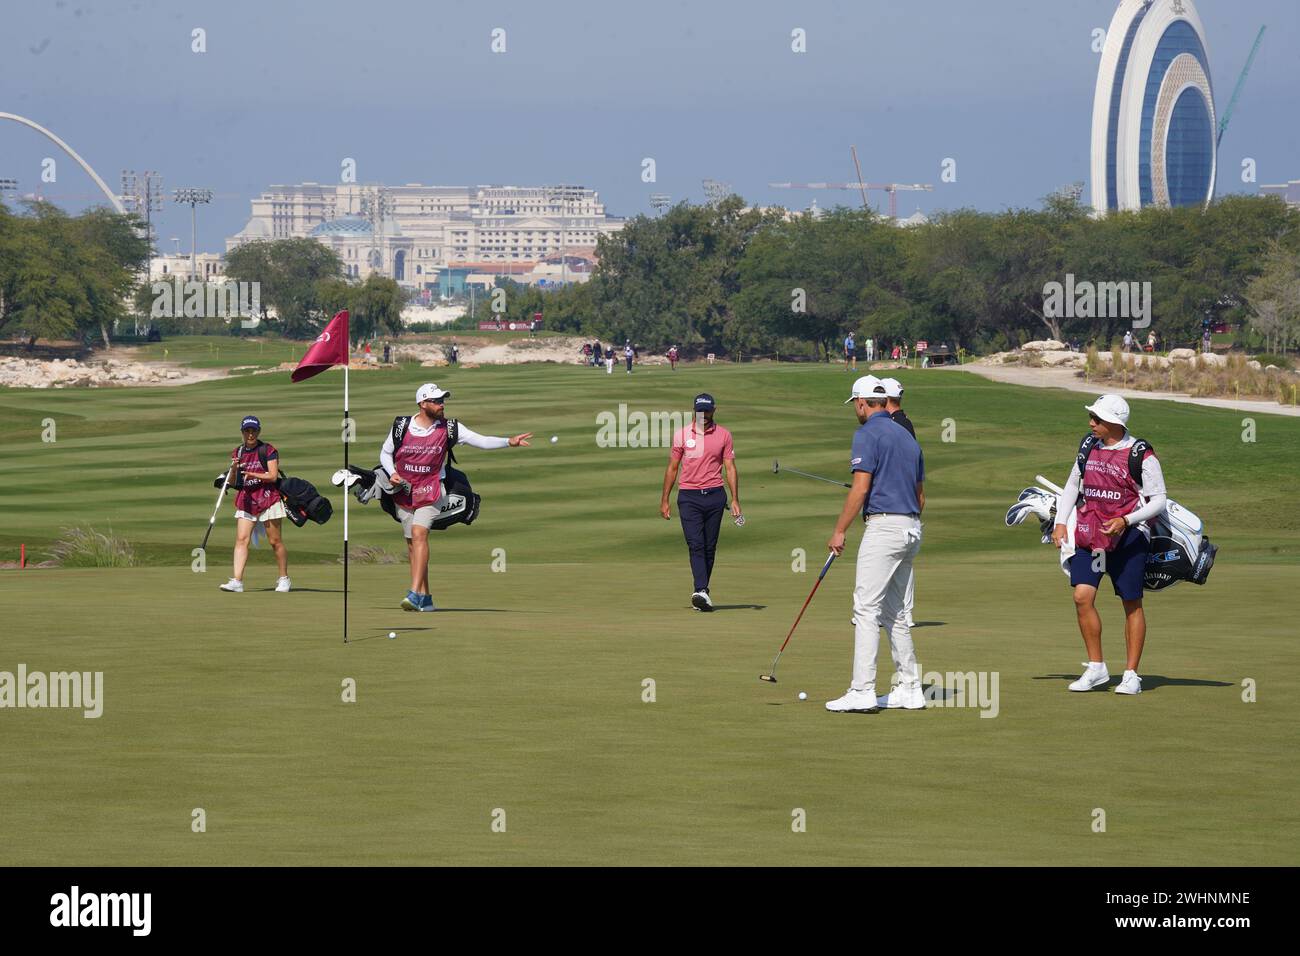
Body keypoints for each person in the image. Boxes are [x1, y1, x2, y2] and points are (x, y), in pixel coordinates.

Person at [1050, 394, 1166, 696]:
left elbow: (1159, 501)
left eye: (1097, 419)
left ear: (1114, 423)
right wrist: (1061, 522)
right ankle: (1097, 668)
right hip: (1091, 535)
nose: (1091, 423)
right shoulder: (1088, 446)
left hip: (1128, 539)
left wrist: (1126, 520)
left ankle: (1130, 675)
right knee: (1082, 596)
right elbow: (1073, 485)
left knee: (1131, 603)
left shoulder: (1141, 453)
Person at [380, 384, 532, 611]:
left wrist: (507, 441)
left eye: (443, 400)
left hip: (432, 490)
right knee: (413, 545)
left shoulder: (450, 428)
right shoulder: (401, 426)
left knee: (419, 533)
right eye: (436, 401)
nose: (442, 404)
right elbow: (385, 453)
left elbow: (480, 440)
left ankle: (412, 594)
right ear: (423, 404)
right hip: (403, 492)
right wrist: (392, 473)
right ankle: (425, 598)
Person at [825, 376, 925, 714]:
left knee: (865, 609)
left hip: (885, 526)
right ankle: (910, 688)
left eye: (855, 404)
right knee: (894, 612)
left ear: (863, 402)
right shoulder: (907, 436)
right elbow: (920, 494)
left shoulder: (866, 433)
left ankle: (862, 690)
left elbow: (860, 488)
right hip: (911, 526)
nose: (856, 409)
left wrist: (840, 530)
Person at [660, 393, 742, 611]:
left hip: (715, 495)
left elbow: (730, 468)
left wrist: (735, 499)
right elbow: (672, 468)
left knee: (709, 546)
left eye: (707, 411)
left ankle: (702, 592)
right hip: (689, 496)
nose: (703, 415)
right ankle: (701, 590)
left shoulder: (724, 435)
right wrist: (665, 499)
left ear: (714, 410)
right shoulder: (682, 434)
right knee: (695, 543)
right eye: (699, 411)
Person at [219, 416, 290, 594]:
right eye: (247, 431)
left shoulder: (267, 450)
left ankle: (284, 579)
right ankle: (237, 581)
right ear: (242, 432)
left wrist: (253, 474)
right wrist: (234, 470)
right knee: (242, 540)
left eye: (253, 430)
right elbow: (236, 483)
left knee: (275, 541)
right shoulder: (238, 452)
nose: (250, 434)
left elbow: (273, 476)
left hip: (268, 498)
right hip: (247, 500)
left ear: (258, 431)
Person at [881, 378, 917, 626]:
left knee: (889, 561)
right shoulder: (905, 423)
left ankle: (889, 612)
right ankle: (903, 614)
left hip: (895, 505)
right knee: (902, 563)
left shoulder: (895, 426)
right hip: (906, 503)